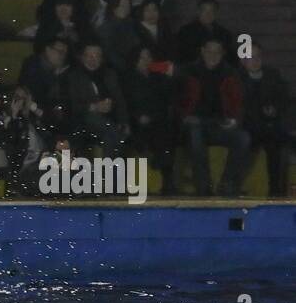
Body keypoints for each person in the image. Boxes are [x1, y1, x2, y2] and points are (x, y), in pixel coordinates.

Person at [178, 38, 250, 197]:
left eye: (217, 52)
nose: (213, 55)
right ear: (202, 51)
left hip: (219, 124)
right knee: (195, 134)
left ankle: (226, 183)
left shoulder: (230, 73)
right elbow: (176, 99)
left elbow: (238, 102)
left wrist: (234, 120)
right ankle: (203, 187)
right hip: (193, 122)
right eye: (209, 51)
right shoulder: (188, 71)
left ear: (222, 54)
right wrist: (184, 116)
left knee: (243, 138)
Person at [123, 47, 177, 195]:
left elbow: (166, 99)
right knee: (151, 133)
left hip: (157, 119)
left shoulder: (157, 77)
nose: (146, 60)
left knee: (166, 131)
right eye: (142, 57)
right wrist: (138, 116)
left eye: (149, 57)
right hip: (136, 121)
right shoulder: (128, 79)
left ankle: (167, 178)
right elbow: (126, 104)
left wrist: (168, 77)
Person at [240, 44, 289, 197]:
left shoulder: (272, 75)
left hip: (270, 125)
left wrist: (273, 109)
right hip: (246, 125)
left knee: (276, 141)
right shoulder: (236, 78)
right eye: (250, 57)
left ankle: (276, 189)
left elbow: (282, 99)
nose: (254, 61)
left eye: (257, 57)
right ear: (243, 61)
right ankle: (235, 185)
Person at [66, 41, 128, 155]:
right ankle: (109, 171)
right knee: (111, 132)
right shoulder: (73, 76)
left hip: (109, 116)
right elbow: (71, 104)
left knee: (117, 133)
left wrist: (123, 120)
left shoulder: (109, 74)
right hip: (85, 117)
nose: (92, 59)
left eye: (96, 56)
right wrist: (94, 107)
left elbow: (119, 99)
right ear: (82, 57)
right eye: (89, 56)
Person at [177, 0, 233, 67]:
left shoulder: (225, 34)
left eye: (212, 11)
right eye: (204, 10)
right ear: (198, 12)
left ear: (216, 13)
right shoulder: (186, 31)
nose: (208, 14)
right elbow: (182, 56)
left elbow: (230, 57)